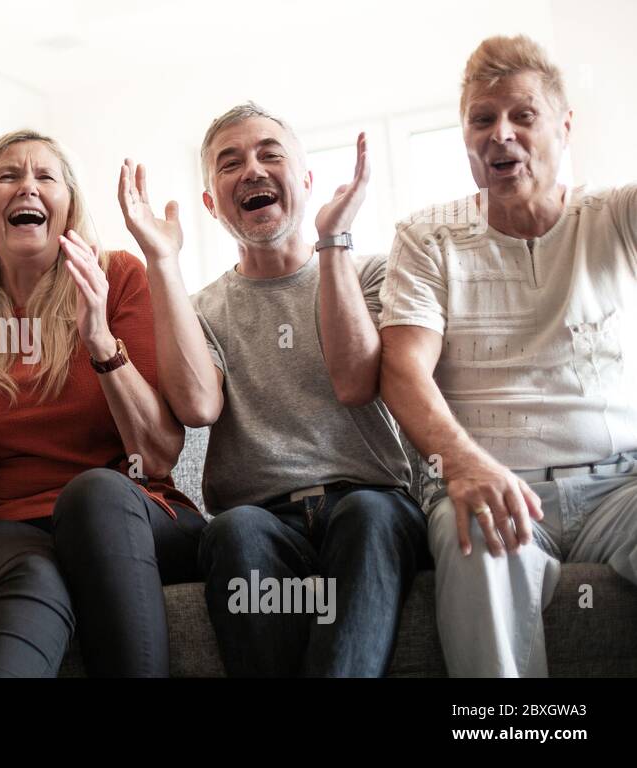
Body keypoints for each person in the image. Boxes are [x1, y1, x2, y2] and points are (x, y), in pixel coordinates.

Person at [379, 35, 637, 677]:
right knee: (472, 545)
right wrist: (464, 463)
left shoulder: (614, 218)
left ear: (565, 127)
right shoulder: (427, 236)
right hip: (492, 485)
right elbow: (402, 369)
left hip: (622, 483)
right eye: (482, 119)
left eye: (524, 116)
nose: (502, 135)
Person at [0, 129, 204, 677]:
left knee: (92, 496)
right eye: (8, 176)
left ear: (68, 207)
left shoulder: (116, 279)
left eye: (45, 176)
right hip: (11, 531)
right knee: (35, 577)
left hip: (134, 514)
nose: (28, 188)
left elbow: (158, 457)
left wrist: (99, 343)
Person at [146, 102, 427, 676]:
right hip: (260, 515)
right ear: (211, 203)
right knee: (234, 530)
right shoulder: (200, 311)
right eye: (230, 164)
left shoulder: (370, 272)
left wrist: (333, 243)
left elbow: (354, 381)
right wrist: (162, 263)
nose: (251, 170)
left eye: (270, 154)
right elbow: (199, 407)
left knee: (369, 516)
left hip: (371, 501)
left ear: (305, 180)